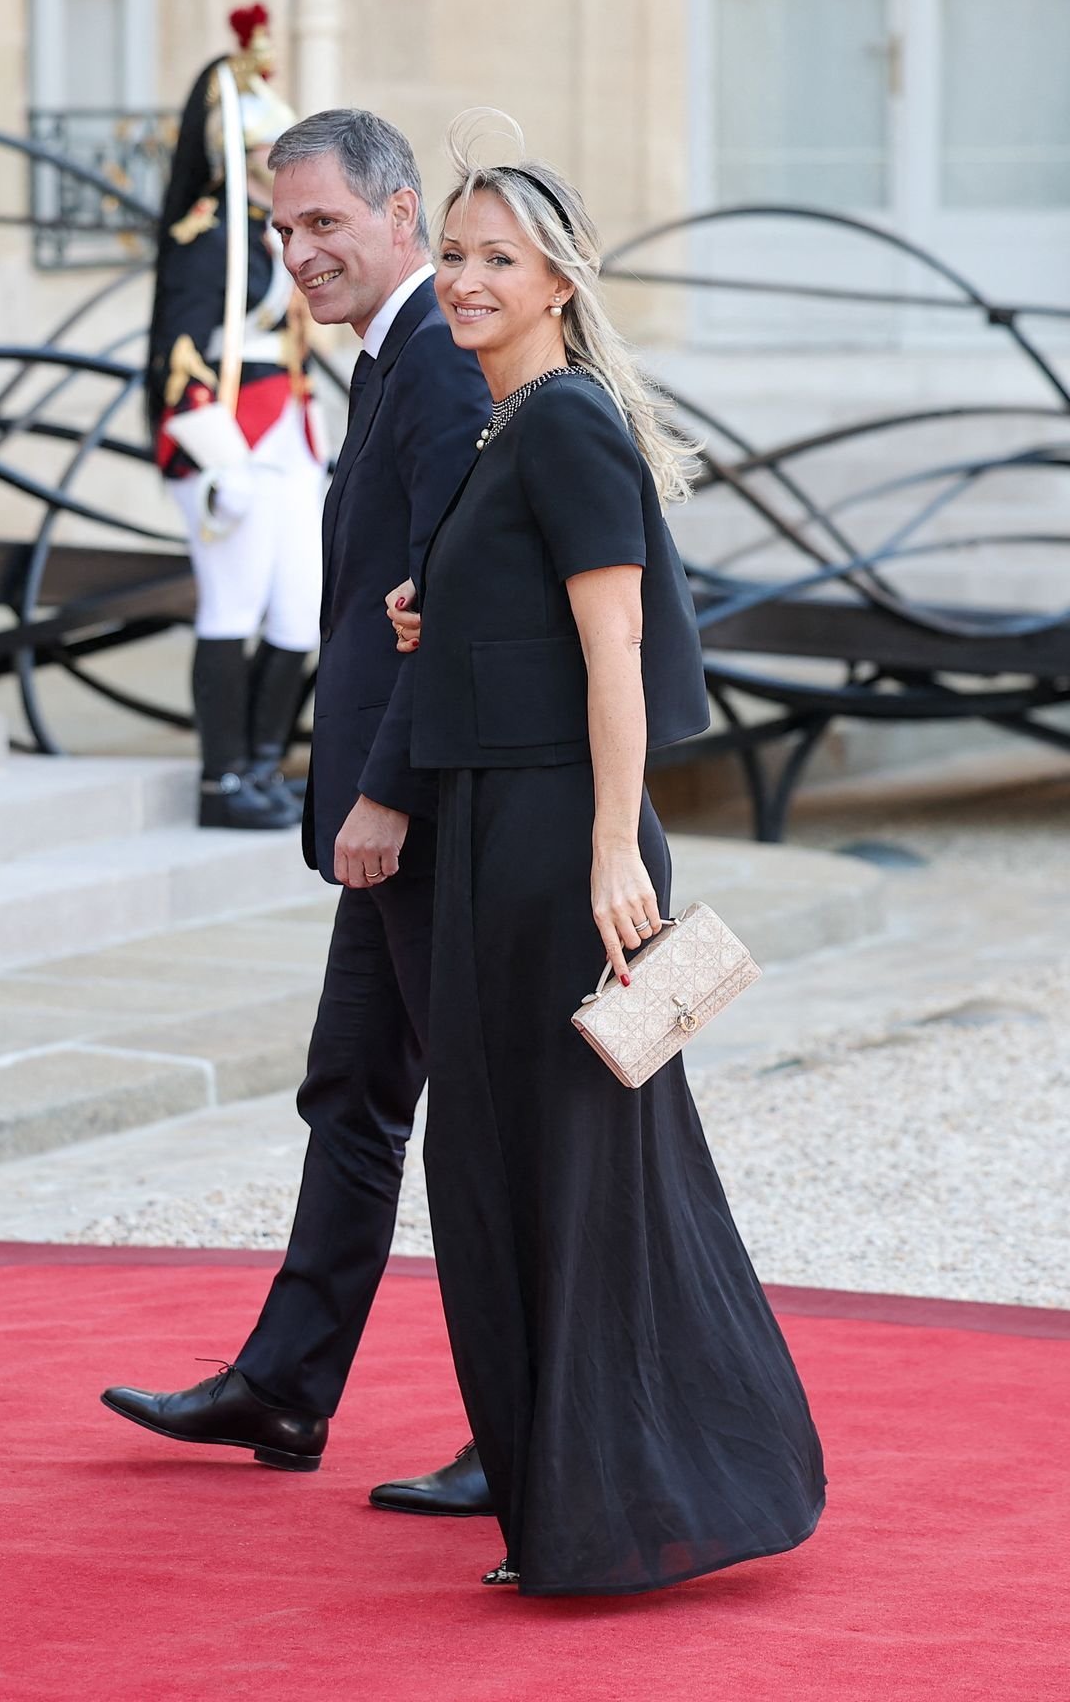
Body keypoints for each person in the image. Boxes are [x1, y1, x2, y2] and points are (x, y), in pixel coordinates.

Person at [389, 118, 827, 1594]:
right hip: (497, 832)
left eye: (493, 259)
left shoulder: (563, 419)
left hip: (552, 847)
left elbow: (617, 637)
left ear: (559, 280)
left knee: (563, 1164)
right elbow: (536, 615)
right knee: (505, 1157)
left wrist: (609, 852)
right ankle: (575, 1500)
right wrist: (440, 614)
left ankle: (618, 1506)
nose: (462, 280)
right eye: (450, 255)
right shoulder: (515, 428)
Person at [102, 109, 495, 1516]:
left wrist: (380, 789)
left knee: (483, 1131)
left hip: (422, 817)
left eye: (324, 222)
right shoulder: (391, 363)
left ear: (402, 217)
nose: (298, 250)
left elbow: (447, 609)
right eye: (282, 228)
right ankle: (285, 1382)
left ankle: (515, 1433)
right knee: (351, 1095)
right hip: (377, 816)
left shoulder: (441, 365)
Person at [146, 4, 324, 830]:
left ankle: (260, 762)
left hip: (288, 424)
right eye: (267, 154)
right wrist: (216, 456)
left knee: (298, 607)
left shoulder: (276, 233)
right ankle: (221, 781)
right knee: (233, 602)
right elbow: (176, 351)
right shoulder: (204, 236)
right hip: (225, 431)